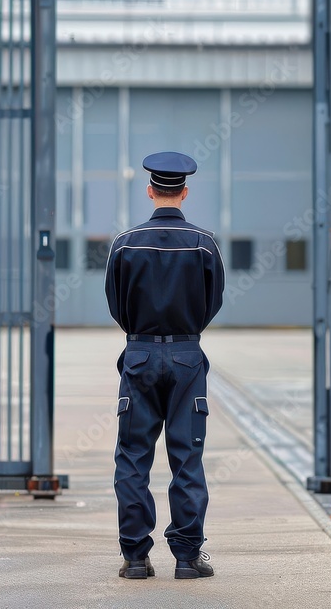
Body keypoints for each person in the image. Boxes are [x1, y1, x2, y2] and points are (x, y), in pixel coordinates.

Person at [104, 151, 225, 580]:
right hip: (187, 355)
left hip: (138, 353)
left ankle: (136, 558)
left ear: (151, 190)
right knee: (187, 456)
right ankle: (188, 559)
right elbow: (213, 303)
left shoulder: (125, 243)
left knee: (133, 457)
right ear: (184, 192)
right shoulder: (204, 243)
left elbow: (116, 305)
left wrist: (141, 335)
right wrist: (184, 333)